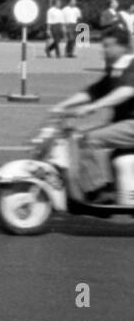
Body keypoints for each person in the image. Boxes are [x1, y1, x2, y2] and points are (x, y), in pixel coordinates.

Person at [52, 25, 134, 203]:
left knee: (89, 139)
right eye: (103, 46)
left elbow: (126, 92)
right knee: (78, 135)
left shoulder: (131, 66)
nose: (103, 50)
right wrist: (62, 105)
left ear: (122, 46)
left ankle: (98, 191)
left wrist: (92, 107)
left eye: (108, 46)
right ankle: (110, 191)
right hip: (124, 124)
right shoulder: (115, 70)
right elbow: (92, 92)